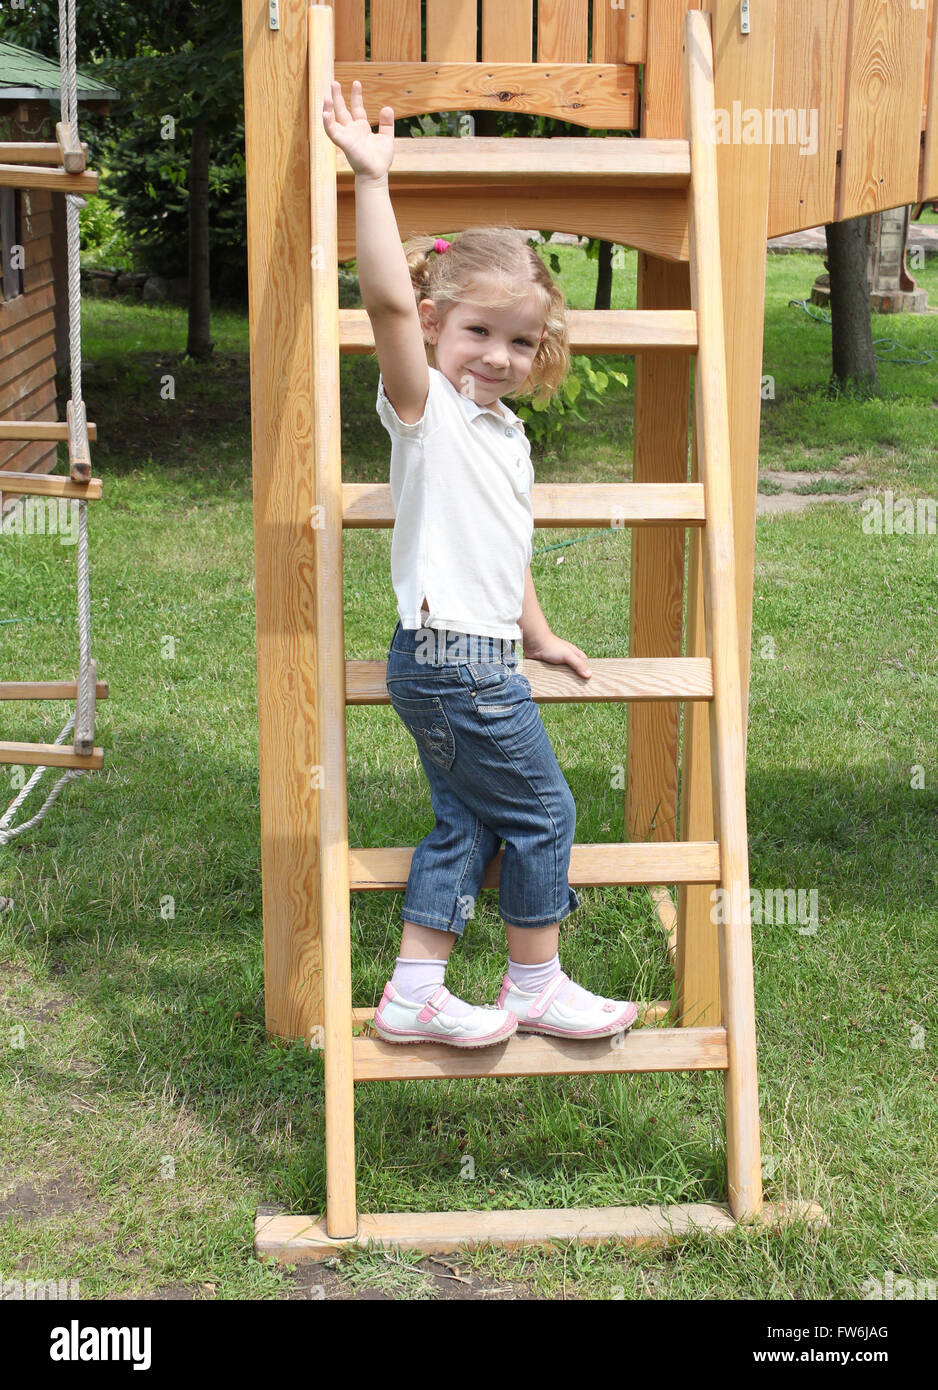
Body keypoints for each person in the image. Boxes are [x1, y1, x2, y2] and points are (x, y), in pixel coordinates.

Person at [323, 79, 638, 1048]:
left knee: (469, 825)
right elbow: (379, 297)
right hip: (453, 661)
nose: (496, 356)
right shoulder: (430, 415)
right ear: (431, 325)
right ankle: (533, 979)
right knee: (546, 809)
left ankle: (414, 988)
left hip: (473, 654)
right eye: (476, 333)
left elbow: (505, 547)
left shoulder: (502, 437)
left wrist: (537, 632)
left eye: (518, 340)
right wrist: (370, 182)